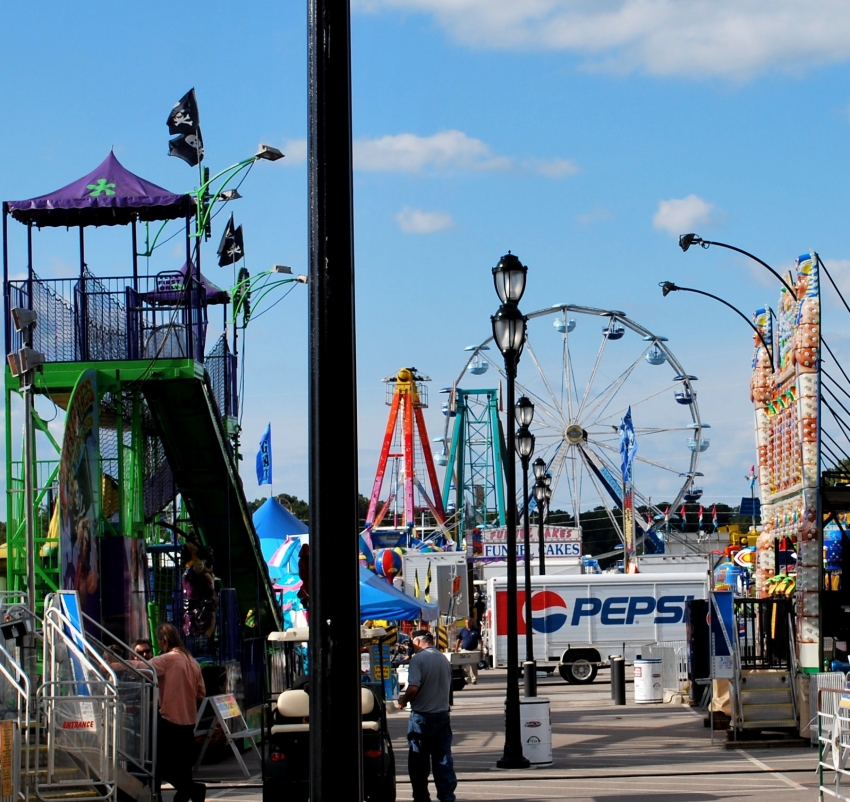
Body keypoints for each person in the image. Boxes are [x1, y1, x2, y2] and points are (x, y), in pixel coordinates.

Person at [395, 630, 457, 802]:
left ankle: (422, 797)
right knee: (443, 758)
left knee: (418, 761)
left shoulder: (418, 659)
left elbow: (413, 687)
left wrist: (403, 700)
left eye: (411, 643)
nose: (411, 647)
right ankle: (447, 796)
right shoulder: (443, 659)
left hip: (422, 717)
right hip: (442, 714)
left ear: (418, 641)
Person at [149, 624, 206, 802]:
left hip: (170, 720)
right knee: (182, 765)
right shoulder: (192, 661)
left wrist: (112, 666)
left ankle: (193, 789)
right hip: (188, 720)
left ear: (163, 640)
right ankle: (185, 794)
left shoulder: (168, 659)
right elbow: (201, 692)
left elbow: (142, 667)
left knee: (163, 765)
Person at [454, 618, 482, 685]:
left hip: (473, 650)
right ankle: (466, 679)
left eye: (469, 622)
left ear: (471, 623)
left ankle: (474, 679)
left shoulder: (475, 631)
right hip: (464, 650)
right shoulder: (463, 631)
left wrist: (480, 648)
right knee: (465, 665)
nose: (467, 624)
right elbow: (459, 640)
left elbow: (480, 640)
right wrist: (456, 649)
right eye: (466, 622)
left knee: (473, 666)